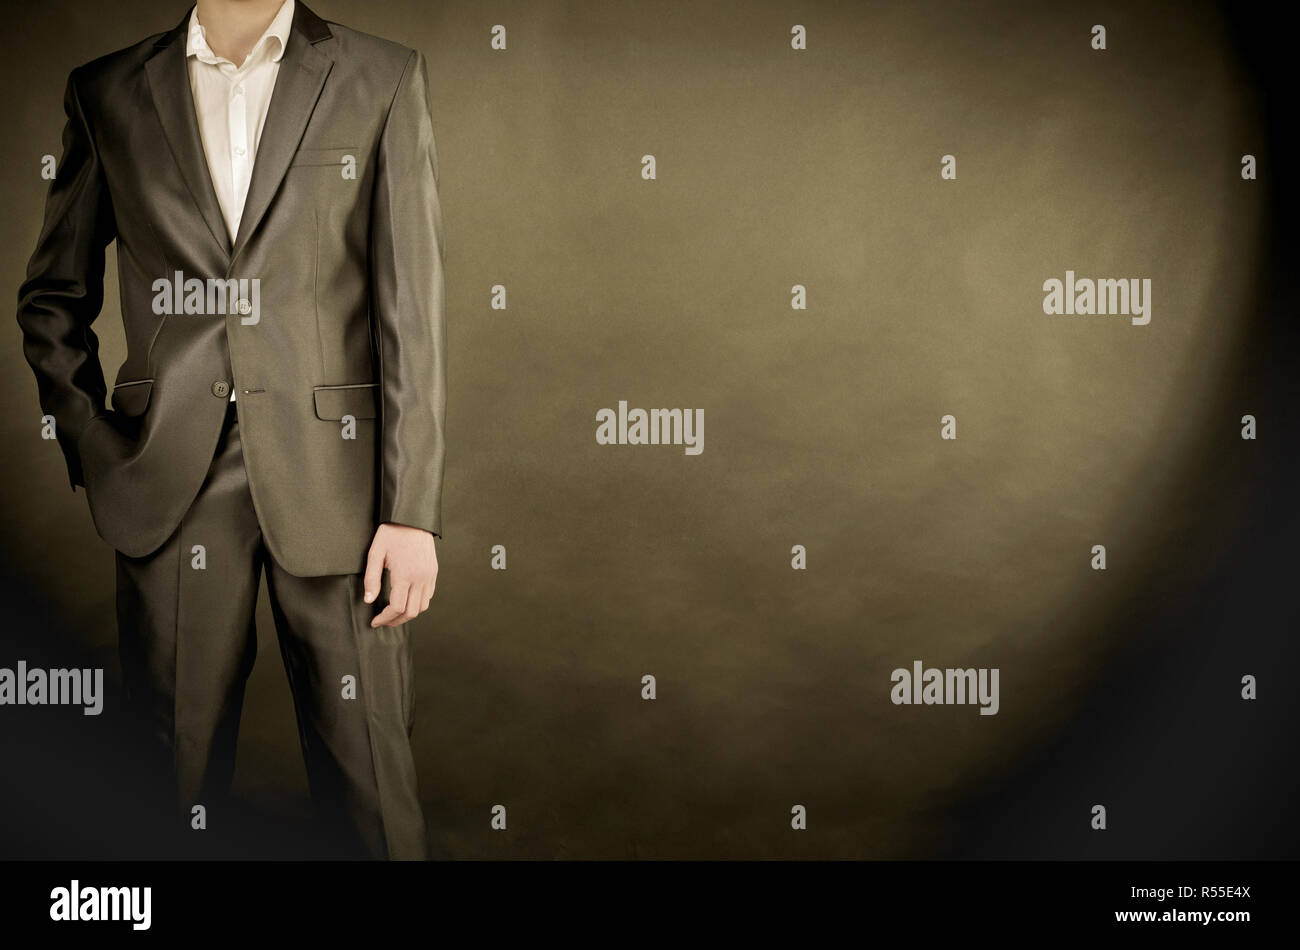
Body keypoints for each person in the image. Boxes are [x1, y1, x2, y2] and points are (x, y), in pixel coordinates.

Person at [15, 0, 446, 860]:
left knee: (371, 795)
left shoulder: (381, 76)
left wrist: (413, 509)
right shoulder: (105, 91)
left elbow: (413, 313)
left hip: (343, 493)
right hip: (168, 484)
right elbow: (52, 300)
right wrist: (100, 449)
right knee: (162, 785)